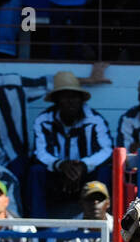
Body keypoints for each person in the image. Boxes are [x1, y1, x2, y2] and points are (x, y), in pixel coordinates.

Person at [0, 42, 109, 187]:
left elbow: (51, 83)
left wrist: (89, 80)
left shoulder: (11, 82)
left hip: (15, 155)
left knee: (24, 173)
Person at [27, 71, 113, 220]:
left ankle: (101, 224)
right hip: (57, 175)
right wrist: (61, 165)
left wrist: (83, 166)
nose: (70, 101)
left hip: (86, 176)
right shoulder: (43, 120)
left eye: (74, 97)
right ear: (57, 101)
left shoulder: (95, 119)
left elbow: (106, 150)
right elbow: (40, 153)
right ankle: (38, 230)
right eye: (65, 97)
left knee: (105, 171)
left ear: (81, 100)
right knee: (36, 172)